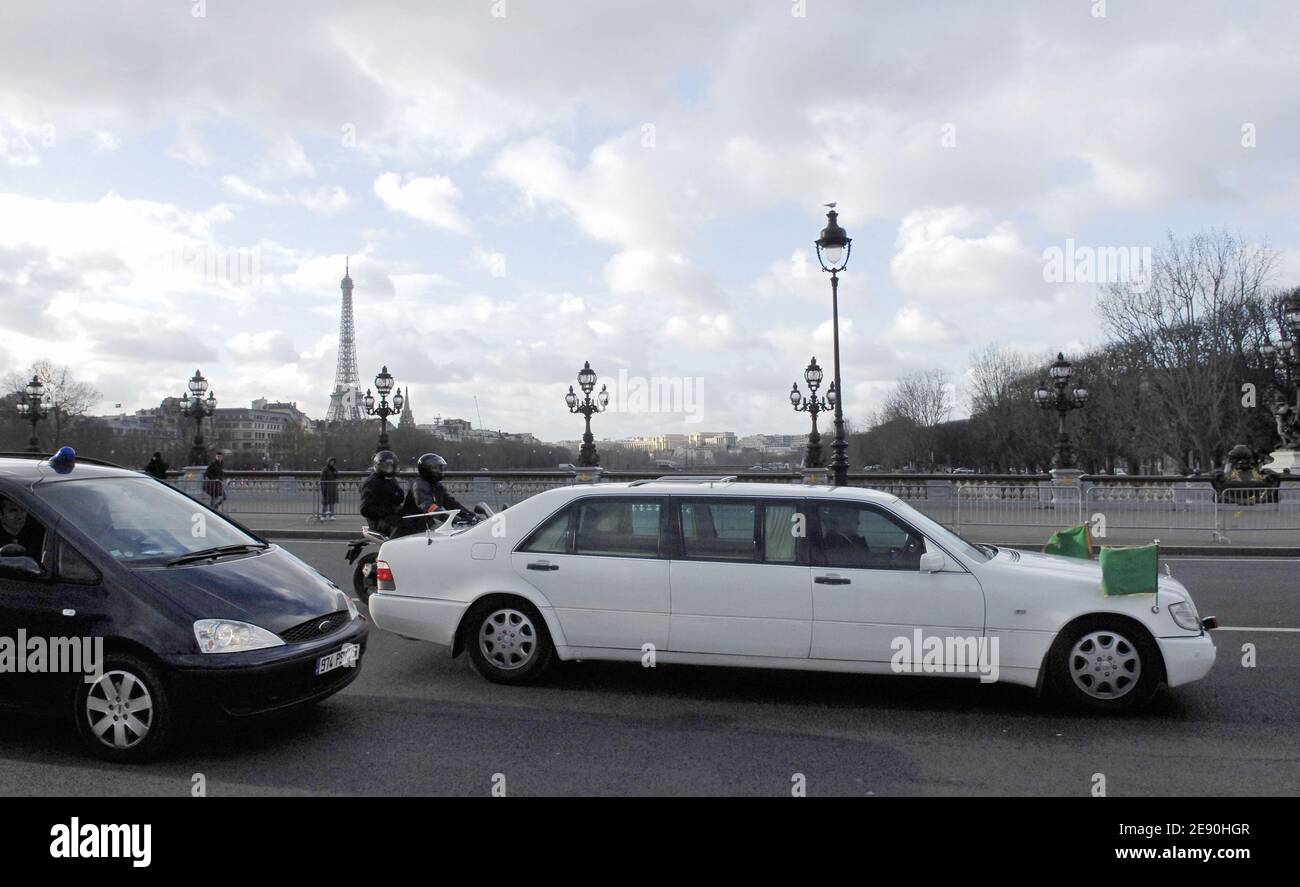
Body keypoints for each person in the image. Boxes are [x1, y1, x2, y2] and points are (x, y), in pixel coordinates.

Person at [410, 453, 473, 518]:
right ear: (425, 469)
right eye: (435, 468)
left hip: (426, 523)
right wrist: (447, 518)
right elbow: (426, 505)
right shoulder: (419, 485)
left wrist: (468, 514)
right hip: (412, 524)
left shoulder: (436, 486)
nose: (439, 471)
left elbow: (450, 503)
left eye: (439, 468)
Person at [359, 450, 406, 536]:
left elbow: (399, 499)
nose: (388, 469)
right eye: (385, 467)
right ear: (378, 466)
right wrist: (387, 511)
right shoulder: (371, 483)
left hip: (391, 516)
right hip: (378, 520)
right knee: (402, 529)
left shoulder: (391, 480)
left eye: (390, 466)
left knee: (414, 522)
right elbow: (365, 509)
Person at [0, 495, 45, 559]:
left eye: (23, 510)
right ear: (1, 515)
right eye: (13, 511)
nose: (19, 516)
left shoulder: (37, 534)